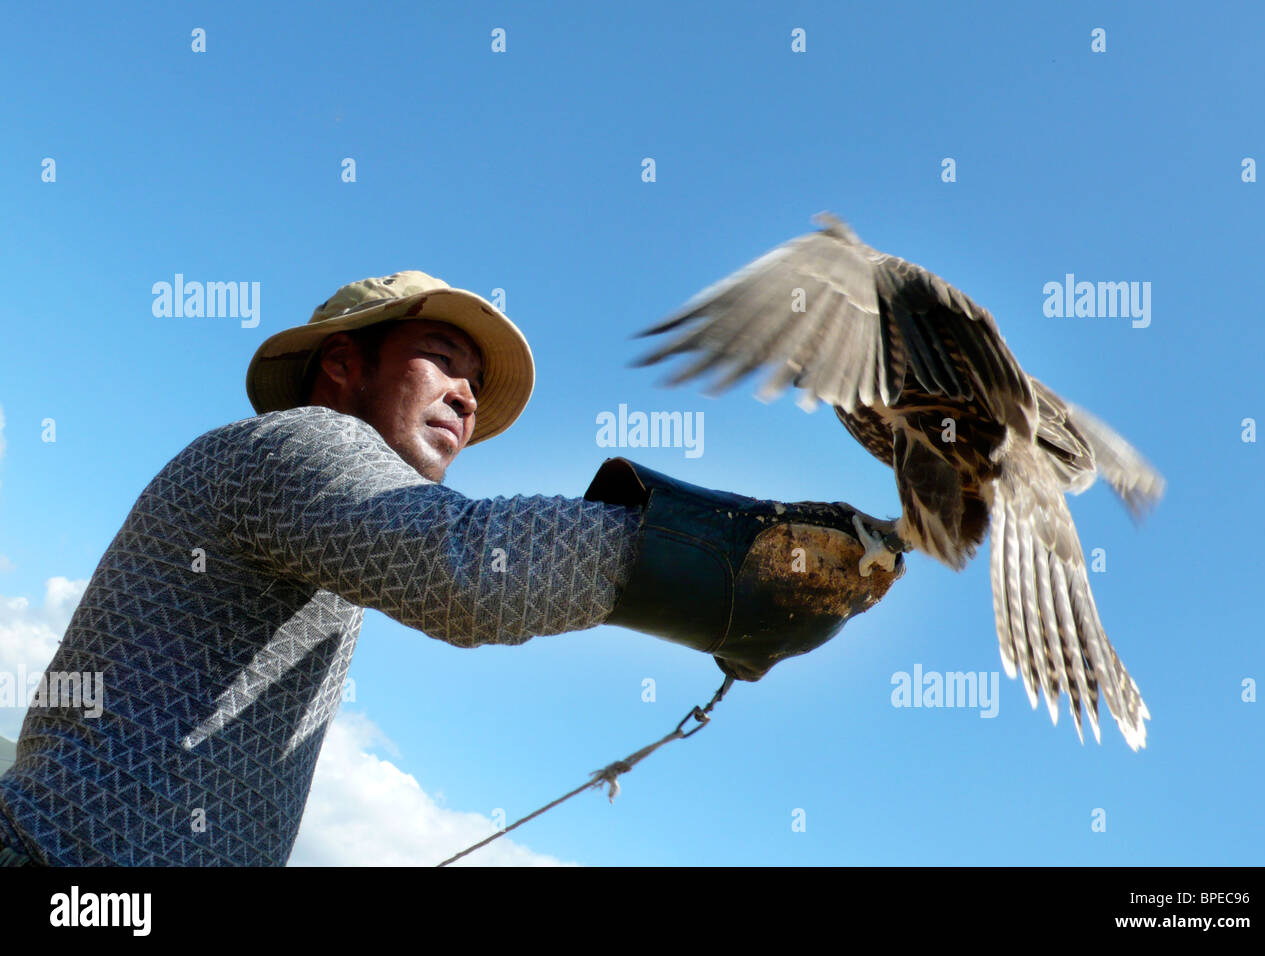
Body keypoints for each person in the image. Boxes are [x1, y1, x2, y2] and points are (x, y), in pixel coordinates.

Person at [0, 270, 903, 866]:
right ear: (344, 366)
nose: (470, 398)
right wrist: (736, 568)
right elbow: (467, 572)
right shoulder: (297, 445)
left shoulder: (311, 516)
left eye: (474, 381)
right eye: (444, 361)